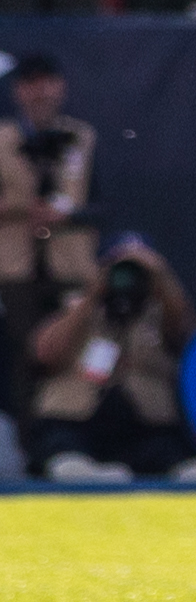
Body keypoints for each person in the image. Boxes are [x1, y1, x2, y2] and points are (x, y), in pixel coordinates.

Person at [26, 238, 196, 485]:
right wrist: (92, 296)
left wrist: (162, 279)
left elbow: (192, 345)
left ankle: (189, 475)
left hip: (143, 424)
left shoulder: (162, 314)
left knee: (163, 450)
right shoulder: (73, 308)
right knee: (60, 443)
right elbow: (45, 354)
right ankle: (76, 470)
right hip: (77, 418)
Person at [0, 55, 98, 417]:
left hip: (70, 269)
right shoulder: (3, 140)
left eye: (47, 82)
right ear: (17, 90)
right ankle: (30, 452)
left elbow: (105, 204)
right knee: (22, 360)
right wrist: (23, 207)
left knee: (77, 357)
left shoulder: (82, 138)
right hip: (16, 273)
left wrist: (68, 213)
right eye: (30, 83)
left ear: (61, 86)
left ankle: (72, 438)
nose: (39, 92)